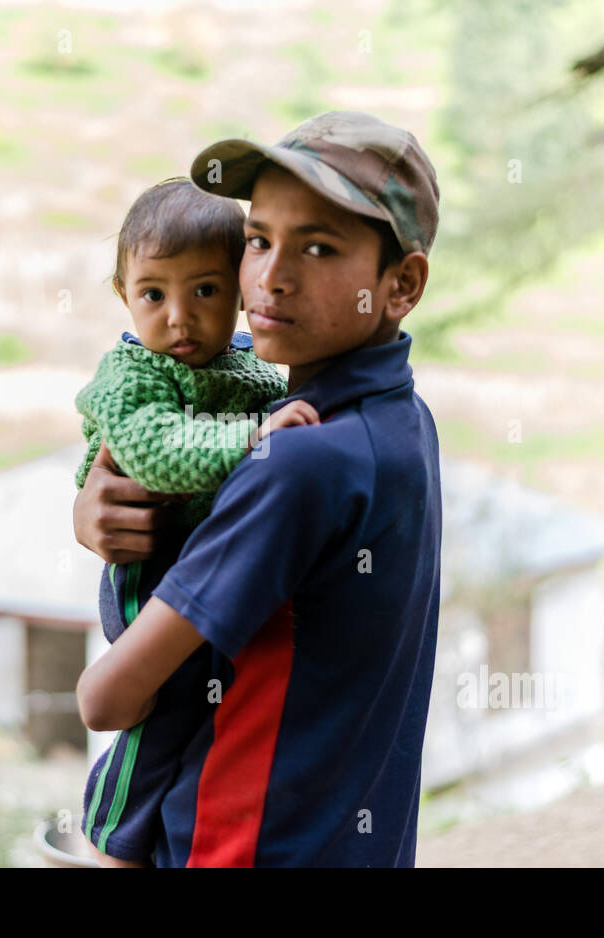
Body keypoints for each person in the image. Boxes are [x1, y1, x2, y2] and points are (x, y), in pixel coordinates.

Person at [75, 110, 444, 867]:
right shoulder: (400, 423)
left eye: (317, 247)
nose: (271, 276)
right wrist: (98, 500)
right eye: (258, 239)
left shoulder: (297, 461)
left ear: (401, 283)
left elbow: (103, 700)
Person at [74, 176, 317, 867]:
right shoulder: (134, 375)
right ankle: (108, 837)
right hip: (146, 575)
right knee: (161, 711)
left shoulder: (249, 370)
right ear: (123, 294)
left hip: (202, 575)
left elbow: (291, 401)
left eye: (204, 291)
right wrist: (252, 437)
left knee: (202, 716)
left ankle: (151, 840)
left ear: (240, 290)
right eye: (155, 294)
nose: (179, 317)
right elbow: (156, 454)